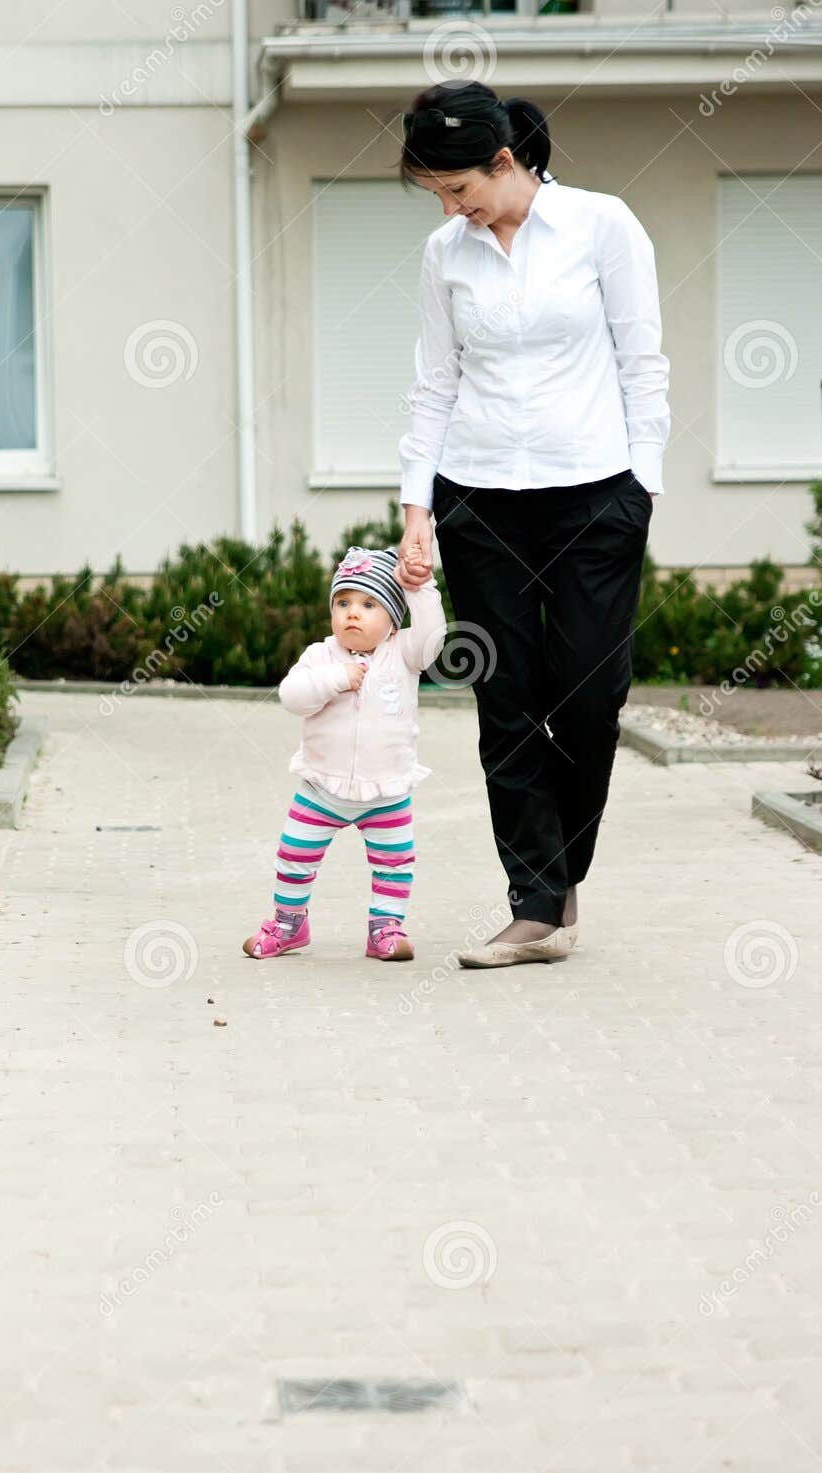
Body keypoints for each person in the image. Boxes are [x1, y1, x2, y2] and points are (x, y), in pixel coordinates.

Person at [395, 81, 670, 969]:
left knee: (588, 698)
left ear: (504, 160)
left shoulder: (602, 225)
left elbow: (642, 362)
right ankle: (537, 907)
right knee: (502, 698)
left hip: (595, 496)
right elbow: (434, 383)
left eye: (458, 189)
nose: (451, 208)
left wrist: (643, 488)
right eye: (437, 195)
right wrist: (415, 511)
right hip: (477, 501)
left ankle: (559, 875)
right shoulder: (445, 253)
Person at [242, 545, 446, 963]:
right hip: (321, 787)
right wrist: (335, 678)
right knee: (295, 855)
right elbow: (292, 696)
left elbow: (433, 637)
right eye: (343, 603)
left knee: (394, 862)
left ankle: (385, 927)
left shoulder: (404, 652)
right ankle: (289, 924)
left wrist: (420, 586)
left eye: (369, 605)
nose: (353, 613)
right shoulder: (320, 656)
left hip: (386, 790)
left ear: (393, 617)